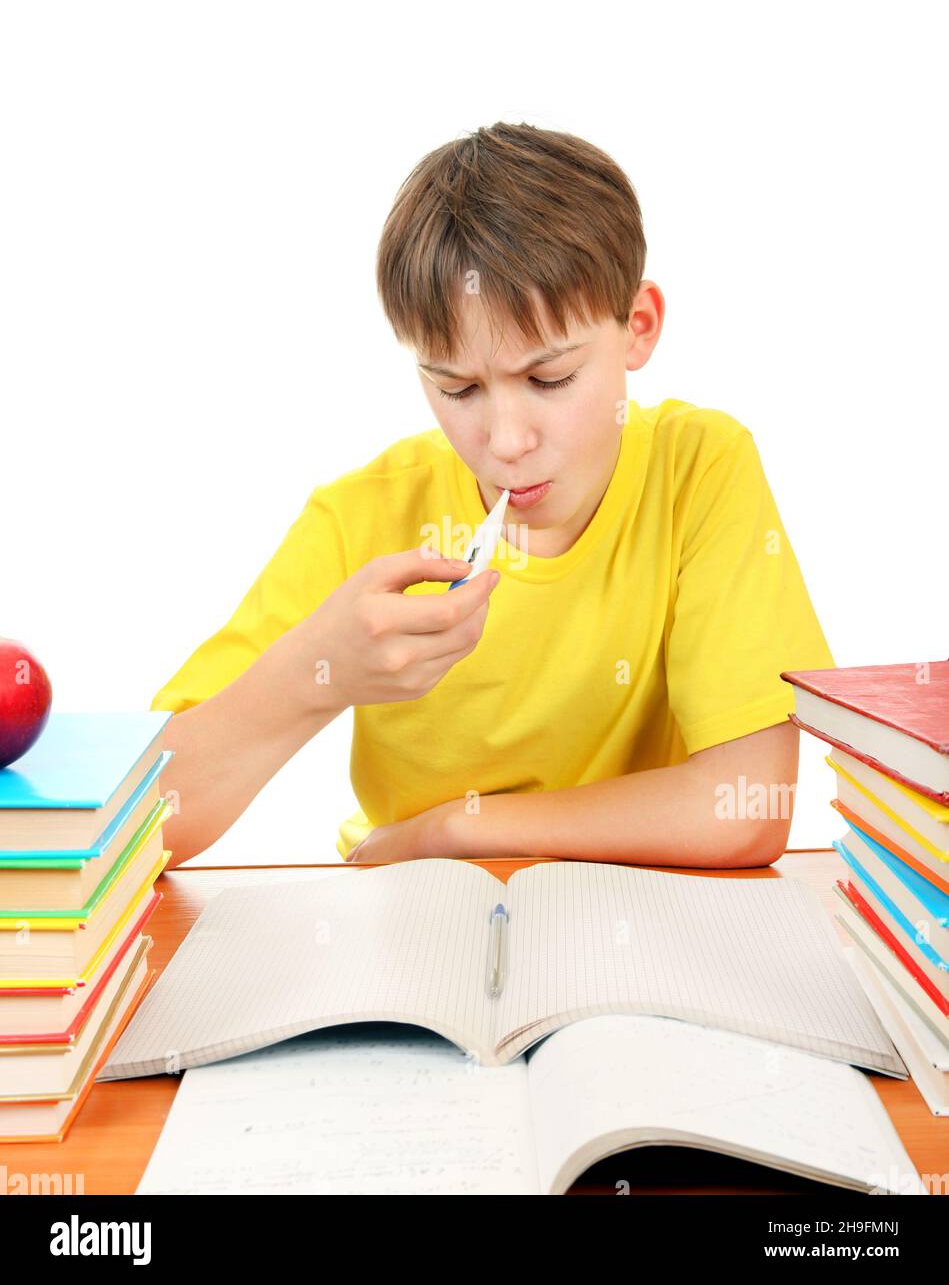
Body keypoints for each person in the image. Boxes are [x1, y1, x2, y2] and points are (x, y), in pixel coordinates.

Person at [151, 121, 834, 868]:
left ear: (636, 328)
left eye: (549, 380)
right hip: (410, 916)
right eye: (458, 387)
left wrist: (459, 829)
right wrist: (316, 671)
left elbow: (744, 807)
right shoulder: (363, 515)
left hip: (626, 925)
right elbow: (147, 824)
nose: (505, 441)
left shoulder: (699, 468)